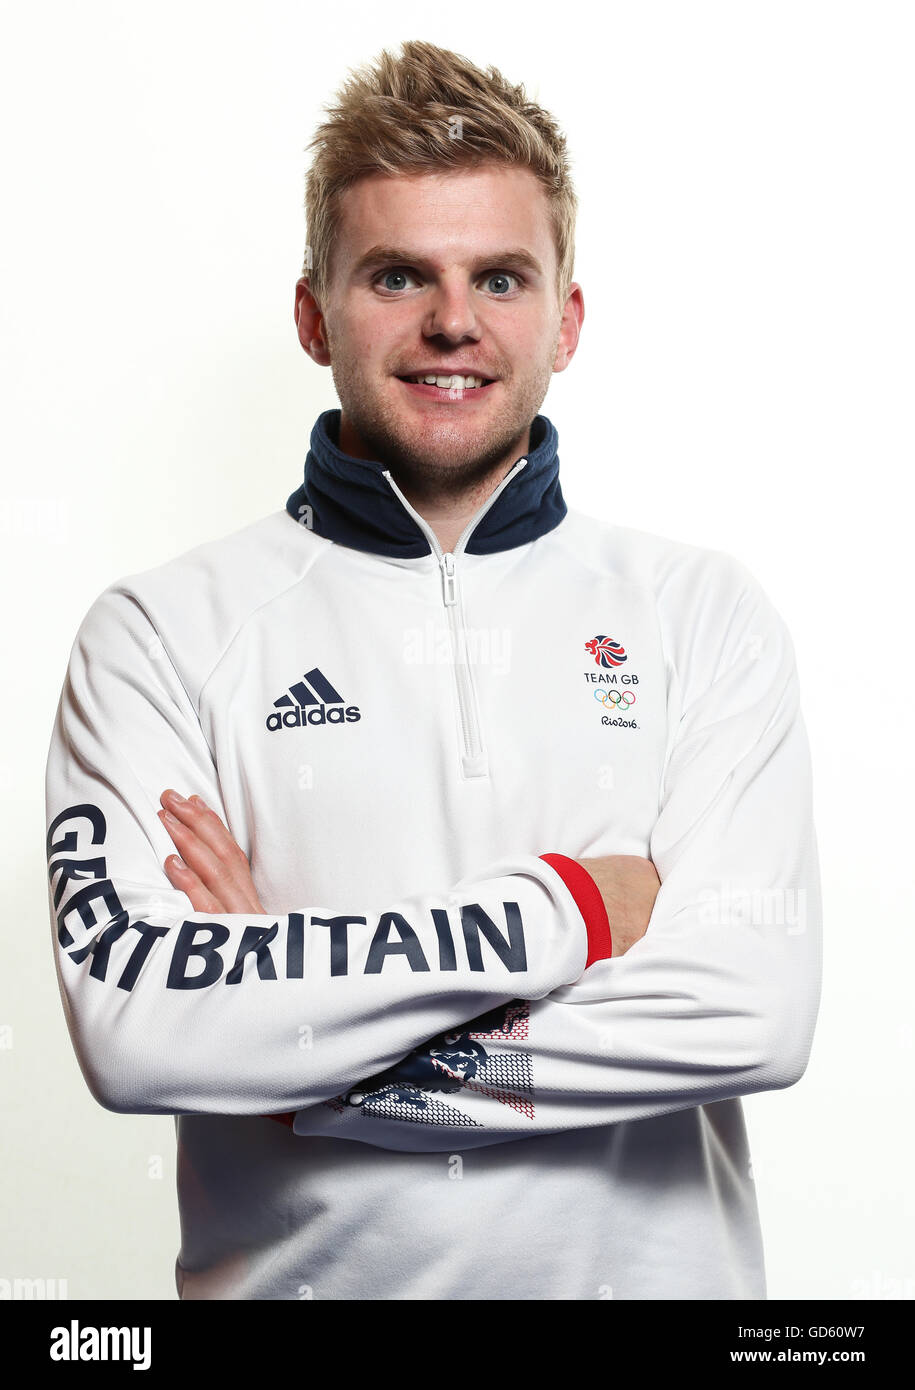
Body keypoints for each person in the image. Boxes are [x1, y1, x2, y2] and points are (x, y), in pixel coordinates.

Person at [44, 39, 822, 1301]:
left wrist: (306, 1029)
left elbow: (749, 1010)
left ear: (566, 320)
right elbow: (142, 1028)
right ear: (313, 313)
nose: (453, 320)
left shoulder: (701, 616)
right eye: (398, 274)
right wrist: (566, 908)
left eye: (500, 277)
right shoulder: (158, 634)